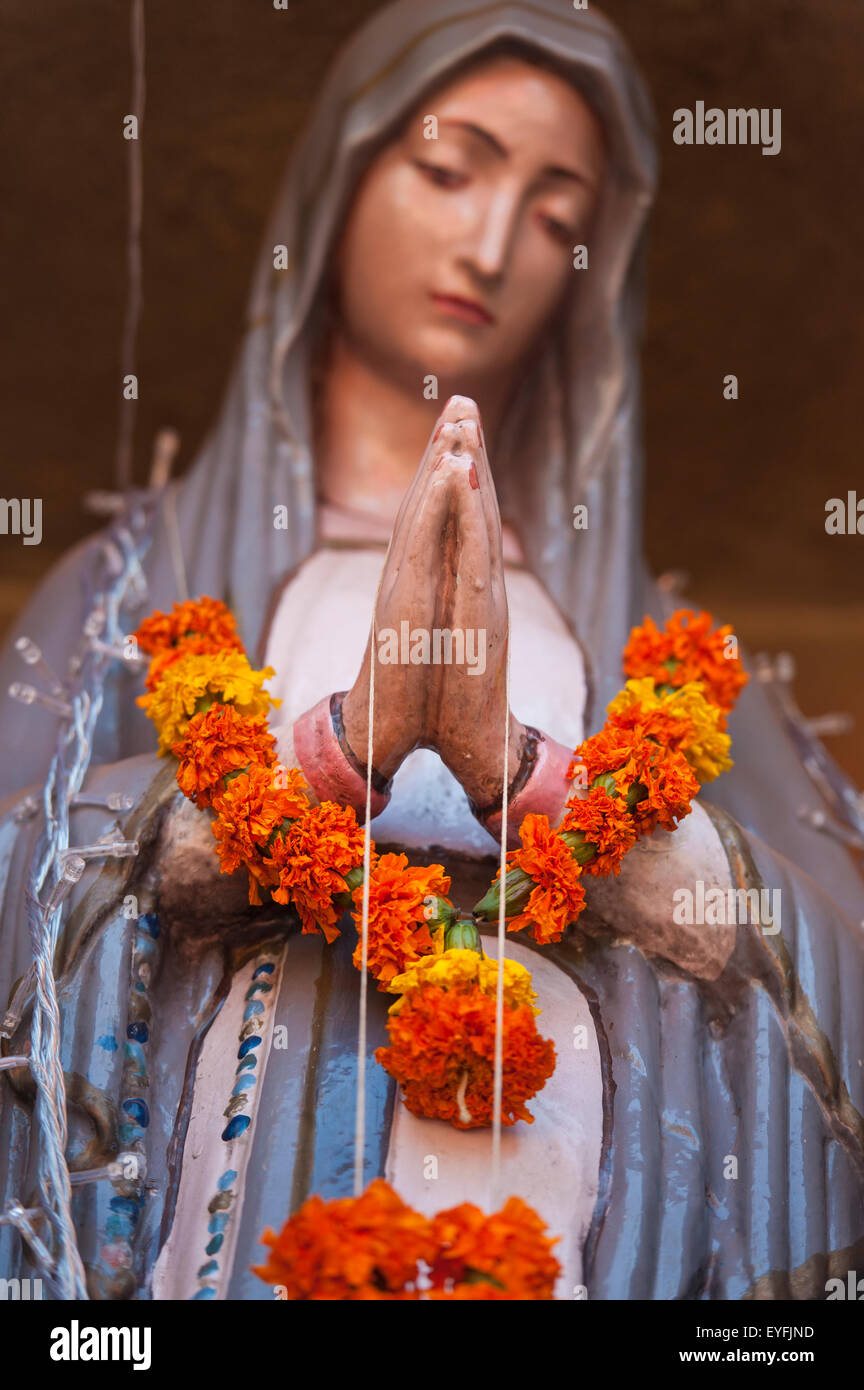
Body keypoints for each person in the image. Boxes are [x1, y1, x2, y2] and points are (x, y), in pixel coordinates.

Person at [1, 0, 862, 1301]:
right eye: (450, 168)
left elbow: (836, 964)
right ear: (338, 184)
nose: (493, 243)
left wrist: (536, 785)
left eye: (557, 218)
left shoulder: (672, 660)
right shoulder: (137, 585)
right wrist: (320, 768)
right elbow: (21, 871)